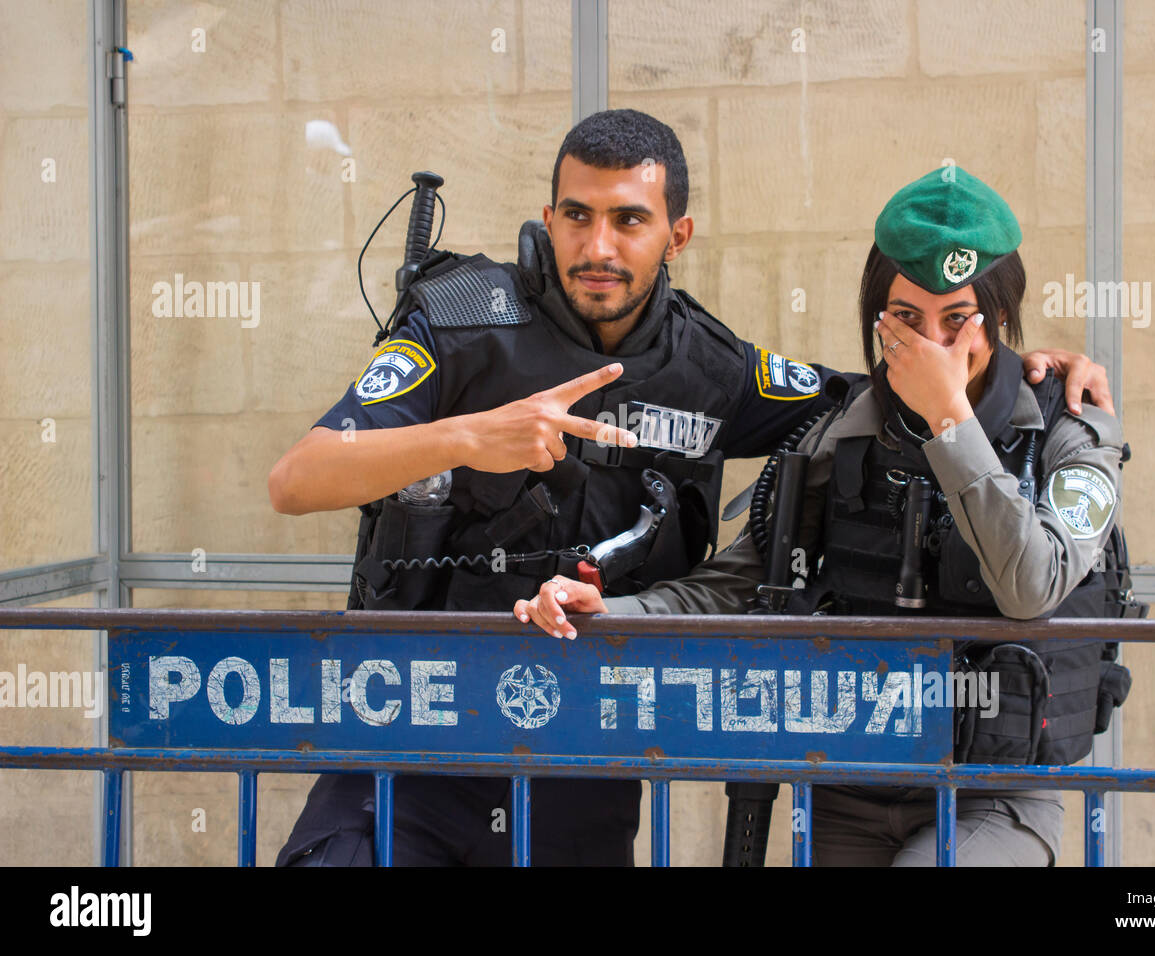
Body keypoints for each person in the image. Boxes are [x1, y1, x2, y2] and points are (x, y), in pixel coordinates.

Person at [269, 108, 1112, 866]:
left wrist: (1027, 372)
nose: (598, 247)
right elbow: (296, 480)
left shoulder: (715, 366)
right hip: (412, 733)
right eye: (576, 215)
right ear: (548, 219)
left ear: (677, 235)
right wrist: (467, 436)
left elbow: (883, 396)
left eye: (629, 220)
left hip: (582, 747)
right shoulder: (461, 321)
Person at [515, 164, 1135, 866]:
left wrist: (952, 422)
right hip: (850, 788)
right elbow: (739, 582)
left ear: (998, 315)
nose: (933, 345)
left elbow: (1033, 584)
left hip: (993, 793)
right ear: (878, 319)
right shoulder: (843, 432)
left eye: (958, 321)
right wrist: (610, 613)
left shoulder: (1069, 430)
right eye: (907, 320)